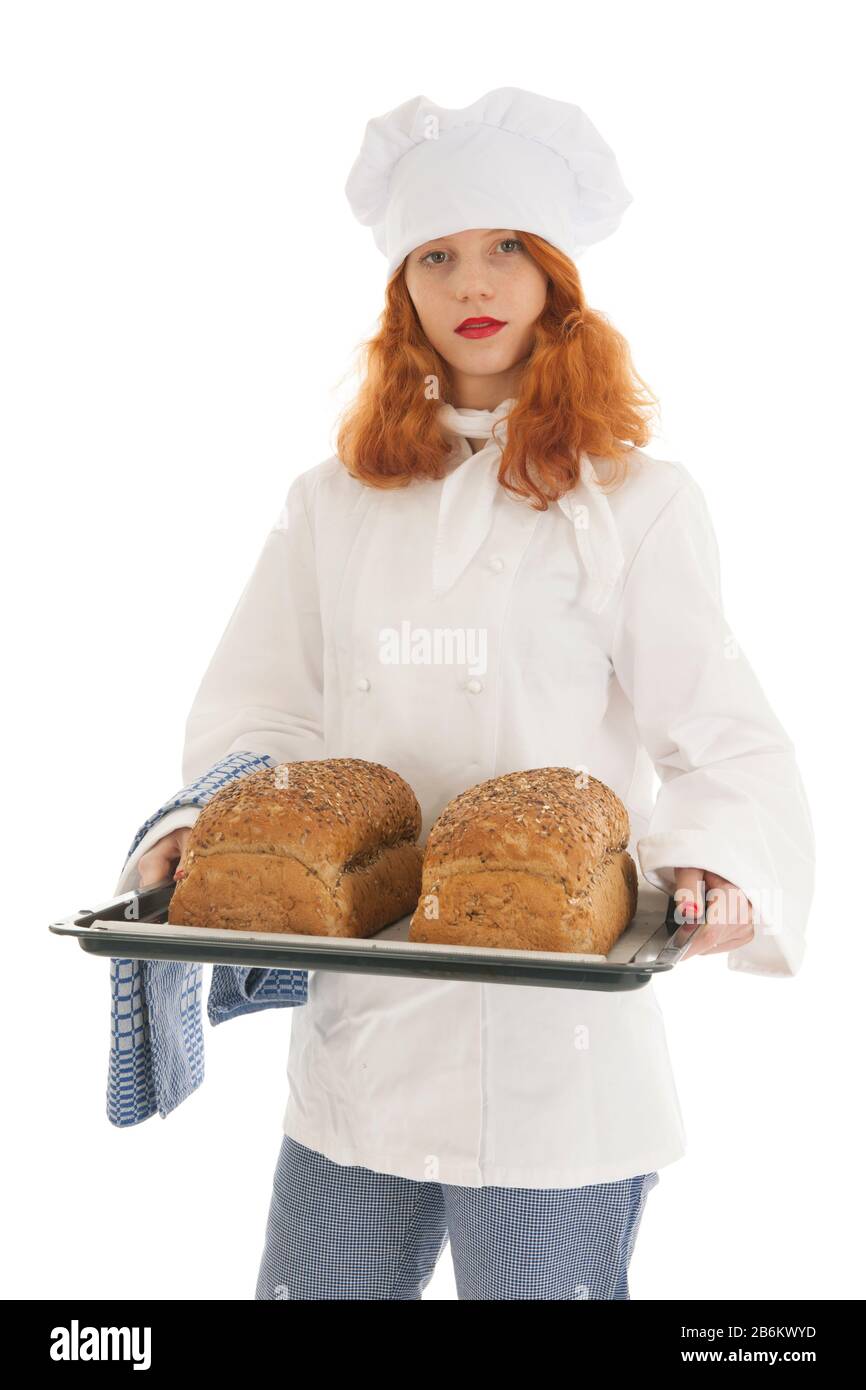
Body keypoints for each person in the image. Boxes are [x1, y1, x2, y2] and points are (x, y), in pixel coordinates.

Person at [110, 88, 815, 1300]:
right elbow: (259, 712)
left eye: (503, 249)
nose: (468, 281)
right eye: (434, 255)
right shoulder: (332, 502)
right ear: (401, 290)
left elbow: (720, 736)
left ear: (553, 279)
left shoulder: (637, 502)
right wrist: (194, 832)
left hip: (559, 1057)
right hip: (368, 1039)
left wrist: (715, 865)